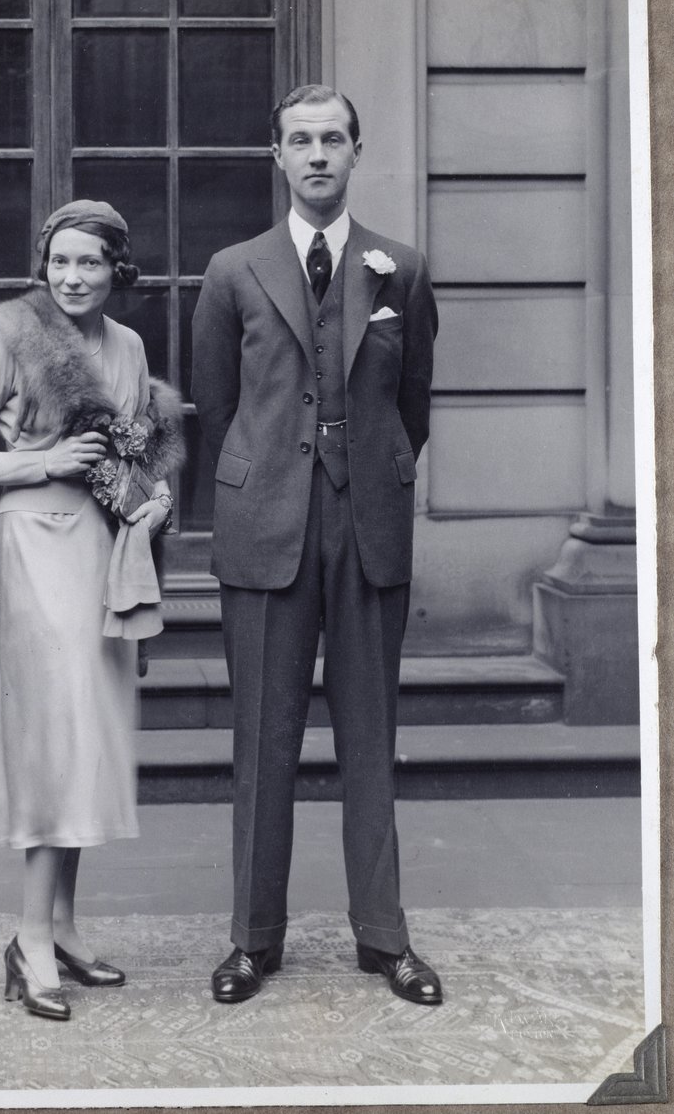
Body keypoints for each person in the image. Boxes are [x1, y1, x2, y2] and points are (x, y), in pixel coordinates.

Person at [191, 85, 442, 1007]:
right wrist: (270, 480)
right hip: (266, 523)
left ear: (355, 151)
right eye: (299, 141)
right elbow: (217, 406)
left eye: (332, 139)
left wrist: (364, 469)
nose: (317, 155)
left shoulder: (398, 269)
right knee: (263, 739)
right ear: (278, 157)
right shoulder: (233, 271)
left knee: (370, 738)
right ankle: (252, 941)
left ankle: (384, 938)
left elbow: (413, 403)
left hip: (367, 521)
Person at [0, 200, 182, 1021]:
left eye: (90, 262)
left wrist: (155, 497)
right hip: (37, 543)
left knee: (90, 731)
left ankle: (65, 927)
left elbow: (133, 454)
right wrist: (40, 464)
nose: (72, 278)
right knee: (55, 733)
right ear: (44, 267)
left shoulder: (130, 347)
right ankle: (29, 938)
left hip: (106, 550)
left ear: (117, 269)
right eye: (60, 262)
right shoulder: (17, 341)